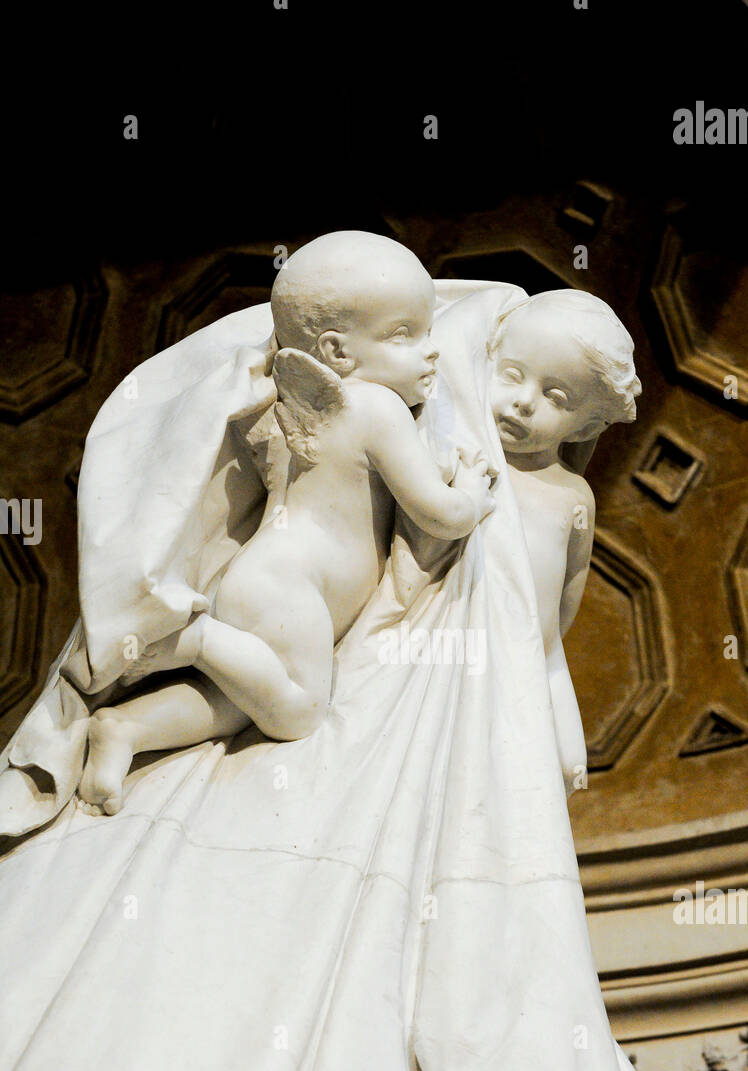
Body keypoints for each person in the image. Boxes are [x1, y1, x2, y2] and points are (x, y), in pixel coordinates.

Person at [77, 232, 495, 814]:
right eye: (407, 335)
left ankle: (126, 730)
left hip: (265, 579)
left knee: (245, 698)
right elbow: (440, 514)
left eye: (430, 331)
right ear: (337, 352)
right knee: (298, 713)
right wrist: (473, 492)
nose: (433, 352)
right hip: (290, 587)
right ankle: (193, 638)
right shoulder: (375, 408)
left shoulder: (292, 403)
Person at [488, 288, 640, 794]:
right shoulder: (456, 458)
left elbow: (555, 629)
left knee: (553, 779)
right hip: (447, 656)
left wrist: (563, 719)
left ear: (588, 426)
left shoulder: (571, 496)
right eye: (511, 374)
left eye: (557, 398)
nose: (523, 401)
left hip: (526, 666)